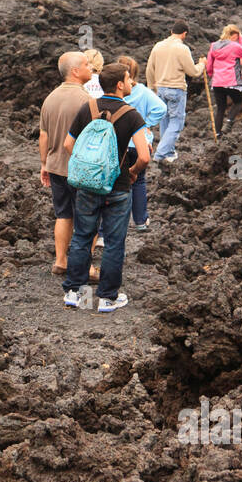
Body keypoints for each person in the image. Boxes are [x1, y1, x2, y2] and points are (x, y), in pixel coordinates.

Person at [62, 62, 149, 312]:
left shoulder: (87, 108)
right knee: (114, 242)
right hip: (118, 187)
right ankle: (108, 298)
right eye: (129, 80)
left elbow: (69, 145)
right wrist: (131, 173)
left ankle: (73, 293)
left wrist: (88, 167)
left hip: (88, 186)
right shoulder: (132, 115)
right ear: (120, 85)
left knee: (81, 236)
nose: (132, 83)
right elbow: (144, 156)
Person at [39, 52, 95, 278]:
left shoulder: (50, 98)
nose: (90, 67)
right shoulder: (86, 100)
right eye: (86, 64)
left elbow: (44, 135)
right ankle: (84, 266)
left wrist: (44, 163)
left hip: (56, 166)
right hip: (81, 168)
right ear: (75, 71)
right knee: (88, 217)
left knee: (63, 214)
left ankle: (61, 261)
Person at [145, 20, 206, 162]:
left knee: (165, 120)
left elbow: (149, 69)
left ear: (172, 31)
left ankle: (169, 152)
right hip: (176, 89)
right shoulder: (182, 49)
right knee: (176, 123)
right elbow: (193, 72)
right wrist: (202, 65)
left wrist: (151, 88)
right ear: (184, 34)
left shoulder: (158, 46)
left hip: (160, 88)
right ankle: (160, 154)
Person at [118, 55, 166, 231]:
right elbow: (161, 108)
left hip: (119, 144)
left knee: (114, 182)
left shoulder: (113, 93)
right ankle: (140, 221)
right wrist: (146, 123)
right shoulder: (143, 92)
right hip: (140, 145)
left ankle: (106, 229)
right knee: (138, 182)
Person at [204, 25, 242, 136]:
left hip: (217, 81)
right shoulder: (234, 46)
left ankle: (217, 133)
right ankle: (229, 122)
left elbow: (209, 65)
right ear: (234, 35)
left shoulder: (214, 46)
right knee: (238, 102)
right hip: (232, 81)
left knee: (220, 108)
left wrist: (211, 75)